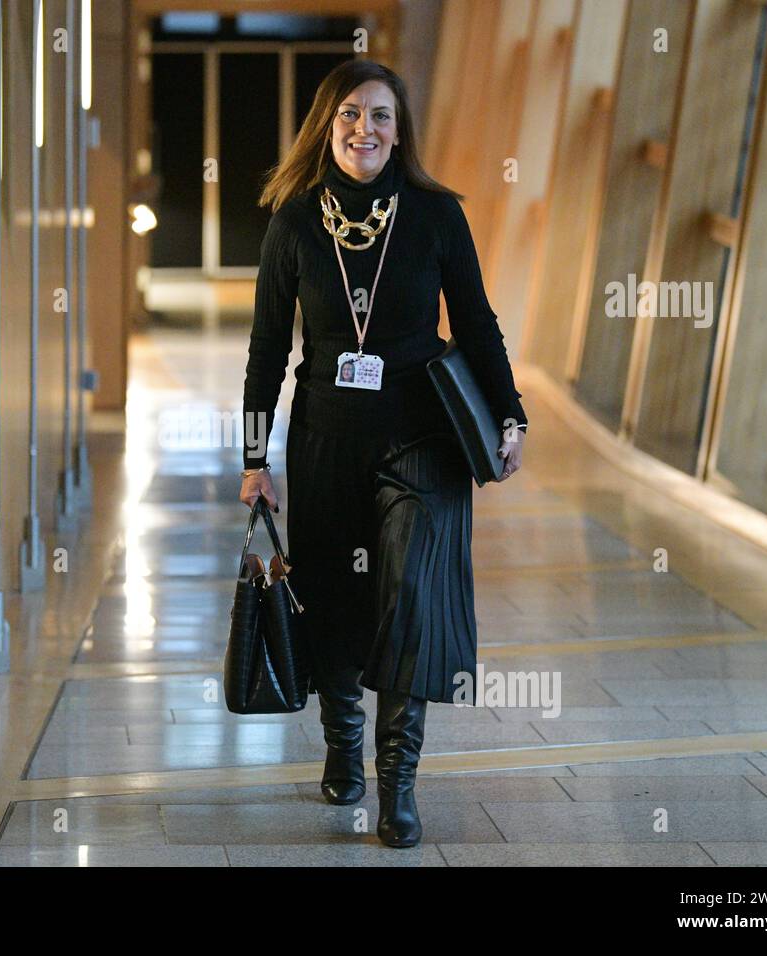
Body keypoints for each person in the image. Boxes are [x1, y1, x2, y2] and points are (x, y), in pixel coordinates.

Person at [238, 60, 527, 848]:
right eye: (351, 115)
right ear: (327, 126)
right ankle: (343, 745)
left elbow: (476, 324)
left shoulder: (435, 216)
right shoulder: (294, 220)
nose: (366, 129)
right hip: (327, 435)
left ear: (401, 131)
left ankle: (398, 781)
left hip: (422, 434)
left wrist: (511, 416)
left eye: (382, 117)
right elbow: (267, 348)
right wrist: (254, 458)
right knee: (333, 594)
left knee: (413, 596)